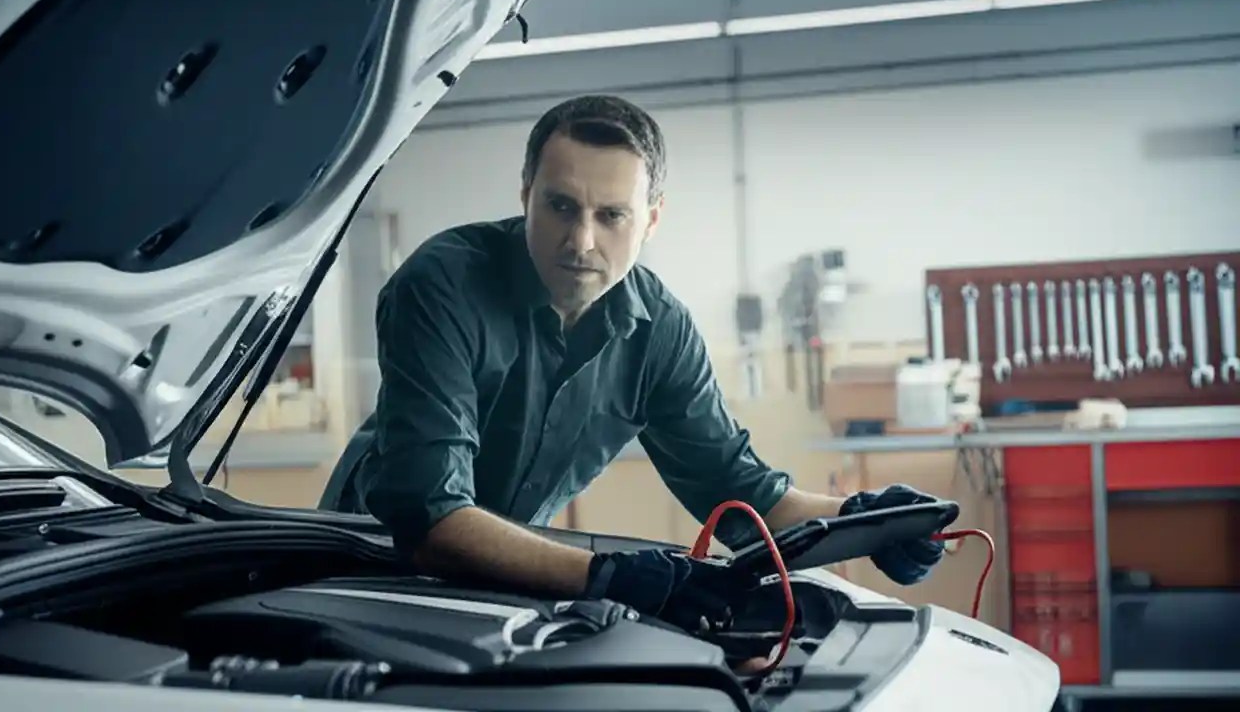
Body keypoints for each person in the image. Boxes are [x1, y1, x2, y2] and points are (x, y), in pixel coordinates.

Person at [319, 94, 946, 632]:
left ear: (650, 221)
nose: (581, 241)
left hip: (500, 577)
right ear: (525, 196)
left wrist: (866, 521)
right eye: (560, 206)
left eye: (611, 215)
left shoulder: (659, 330)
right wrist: (609, 577)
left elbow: (742, 499)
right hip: (357, 572)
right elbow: (430, 518)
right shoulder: (443, 285)